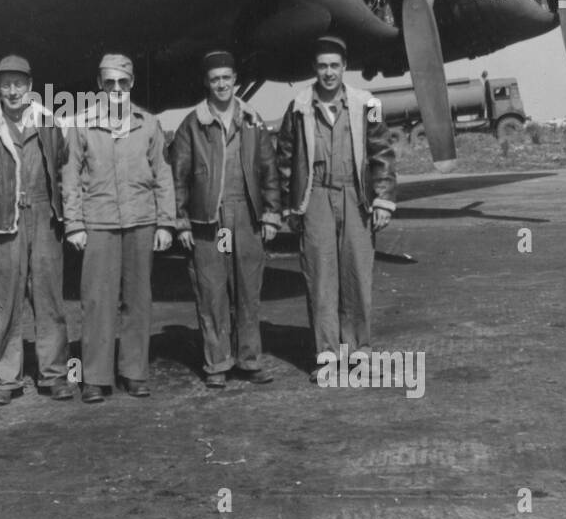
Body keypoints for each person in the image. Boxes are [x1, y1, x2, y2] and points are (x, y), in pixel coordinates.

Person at [0, 55, 72, 406]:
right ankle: (8, 377)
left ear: (30, 86)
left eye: (18, 83)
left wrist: (68, 216)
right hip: (2, 223)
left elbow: (65, 169)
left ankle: (53, 374)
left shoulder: (49, 124)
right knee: (6, 303)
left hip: (44, 218)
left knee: (49, 300)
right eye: (6, 84)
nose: (12, 91)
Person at [62, 54, 175, 402]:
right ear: (99, 85)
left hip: (141, 221)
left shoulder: (149, 124)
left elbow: (163, 176)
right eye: (108, 82)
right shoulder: (82, 125)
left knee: (138, 301)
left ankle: (134, 372)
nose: (115, 89)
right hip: (99, 222)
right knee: (97, 301)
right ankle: (95, 377)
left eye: (122, 82)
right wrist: (74, 225)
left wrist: (166, 223)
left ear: (131, 84)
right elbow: (70, 179)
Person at [276, 35, 397, 359]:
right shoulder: (299, 108)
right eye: (322, 66)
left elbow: (382, 151)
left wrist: (383, 199)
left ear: (344, 67)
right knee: (320, 278)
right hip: (315, 197)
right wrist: (291, 207)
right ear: (314, 69)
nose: (328, 72)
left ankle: (359, 351)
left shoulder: (367, 104)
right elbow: (286, 158)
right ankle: (327, 354)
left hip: (355, 196)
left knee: (357, 275)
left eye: (334, 65)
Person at [169, 51, 282, 389]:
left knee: (248, 288)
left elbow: (269, 170)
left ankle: (249, 360)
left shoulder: (252, 120)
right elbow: (178, 176)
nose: (221, 84)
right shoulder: (193, 124)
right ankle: (217, 361)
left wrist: (272, 213)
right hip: (210, 221)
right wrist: (182, 221)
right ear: (207, 82)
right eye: (214, 78)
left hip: (245, 217)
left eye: (226, 78)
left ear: (235, 80)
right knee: (213, 289)